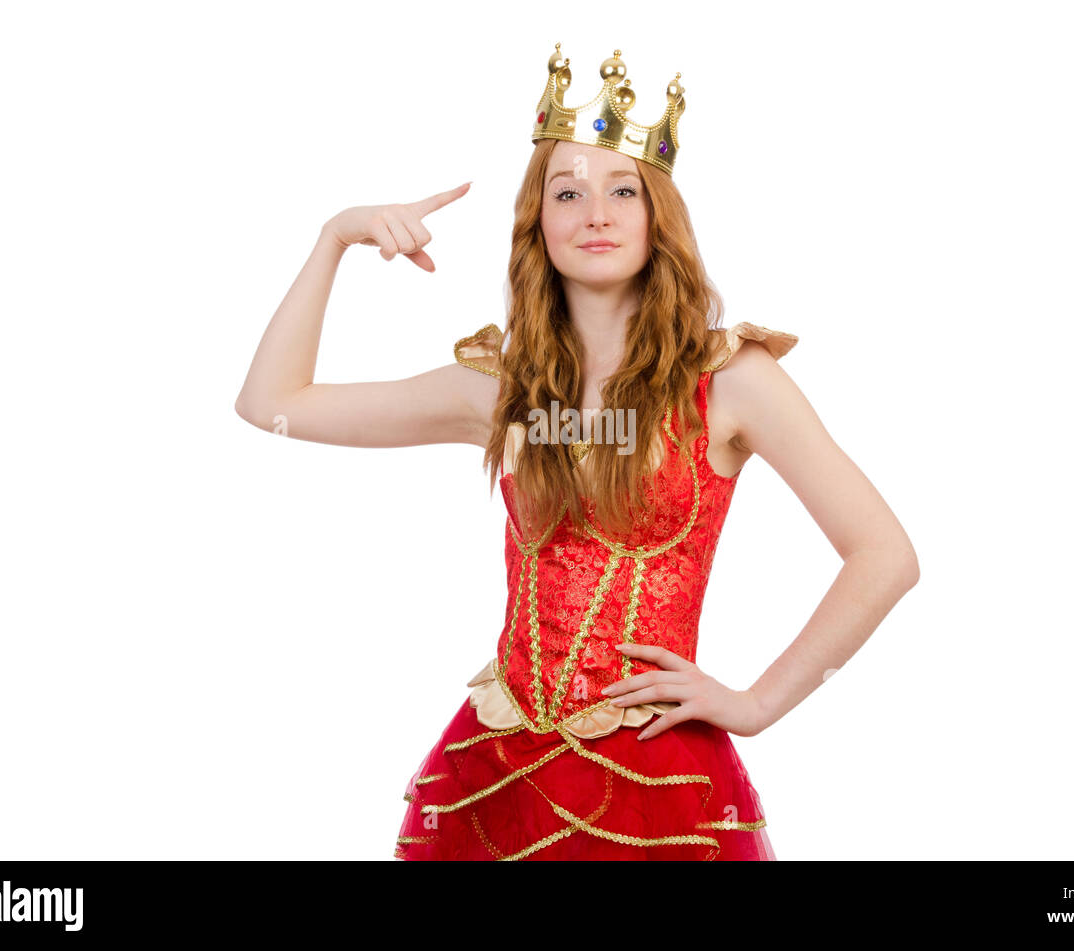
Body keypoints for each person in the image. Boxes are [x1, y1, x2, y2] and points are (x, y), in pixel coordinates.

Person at [234, 45, 919, 861]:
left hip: (659, 777)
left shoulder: (732, 381)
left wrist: (758, 702)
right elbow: (272, 404)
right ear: (540, 226)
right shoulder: (498, 391)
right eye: (568, 192)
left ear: (656, 215)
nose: (596, 212)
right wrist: (335, 237)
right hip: (497, 775)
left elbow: (884, 556)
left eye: (621, 190)